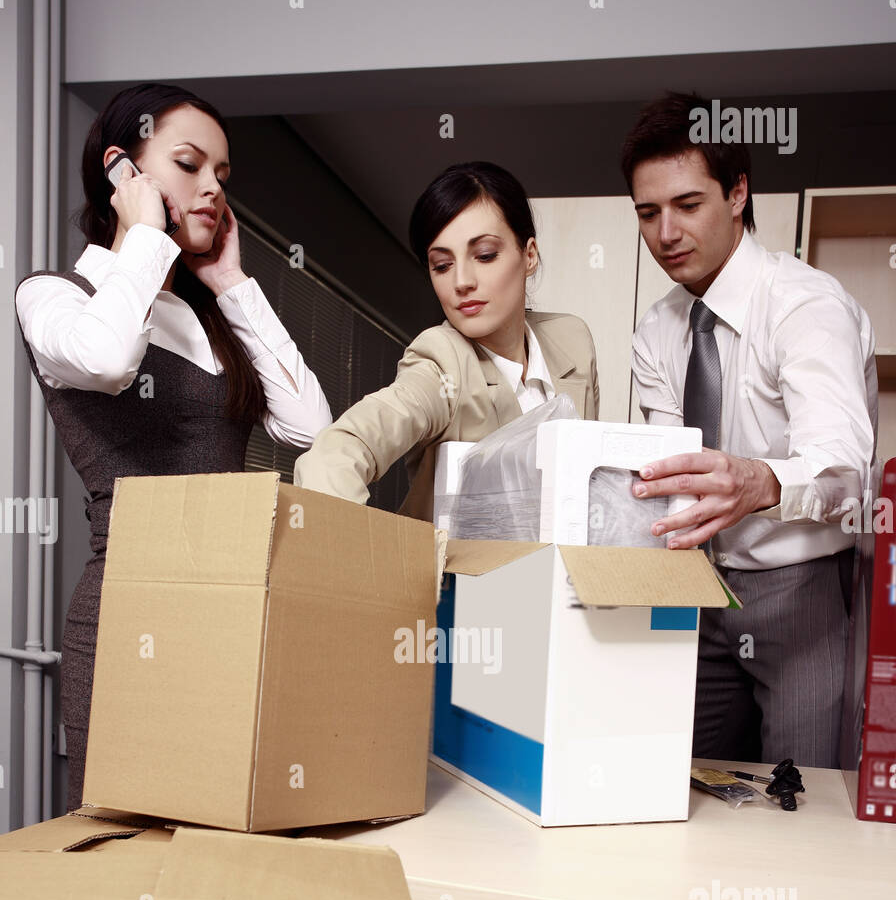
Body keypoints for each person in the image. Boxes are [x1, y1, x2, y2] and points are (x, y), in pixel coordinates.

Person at [16, 82, 331, 811]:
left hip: (231, 608)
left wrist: (231, 282)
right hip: (129, 613)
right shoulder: (55, 296)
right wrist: (146, 236)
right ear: (122, 169)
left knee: (222, 822)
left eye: (222, 175)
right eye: (189, 165)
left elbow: (311, 430)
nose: (212, 188)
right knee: (120, 833)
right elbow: (106, 360)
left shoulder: (207, 319)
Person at [621, 92, 878, 769]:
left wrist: (761, 482)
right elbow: (668, 475)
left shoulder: (804, 306)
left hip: (802, 590)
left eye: (687, 205)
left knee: (801, 794)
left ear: (738, 193)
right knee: (675, 779)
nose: (666, 233)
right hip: (695, 588)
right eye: (648, 213)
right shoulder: (656, 330)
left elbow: (847, 472)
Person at [294, 161, 599, 520]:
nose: (462, 281)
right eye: (441, 265)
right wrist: (350, 550)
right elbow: (337, 453)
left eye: (484, 255)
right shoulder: (441, 362)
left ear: (529, 255)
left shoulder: (572, 339)